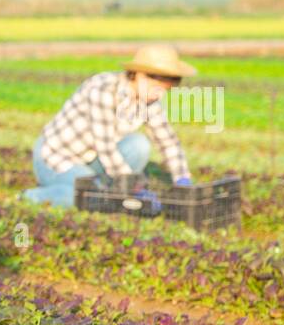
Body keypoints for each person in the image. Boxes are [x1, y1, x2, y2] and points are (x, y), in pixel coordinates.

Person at [21, 44, 196, 208]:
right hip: (56, 158)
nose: (159, 95)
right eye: (157, 88)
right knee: (89, 198)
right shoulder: (102, 89)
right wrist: (133, 187)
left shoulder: (151, 101)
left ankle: (108, 190)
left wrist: (183, 180)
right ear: (138, 74)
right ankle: (31, 196)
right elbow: (104, 146)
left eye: (165, 90)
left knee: (139, 144)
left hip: (92, 159)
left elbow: (168, 142)